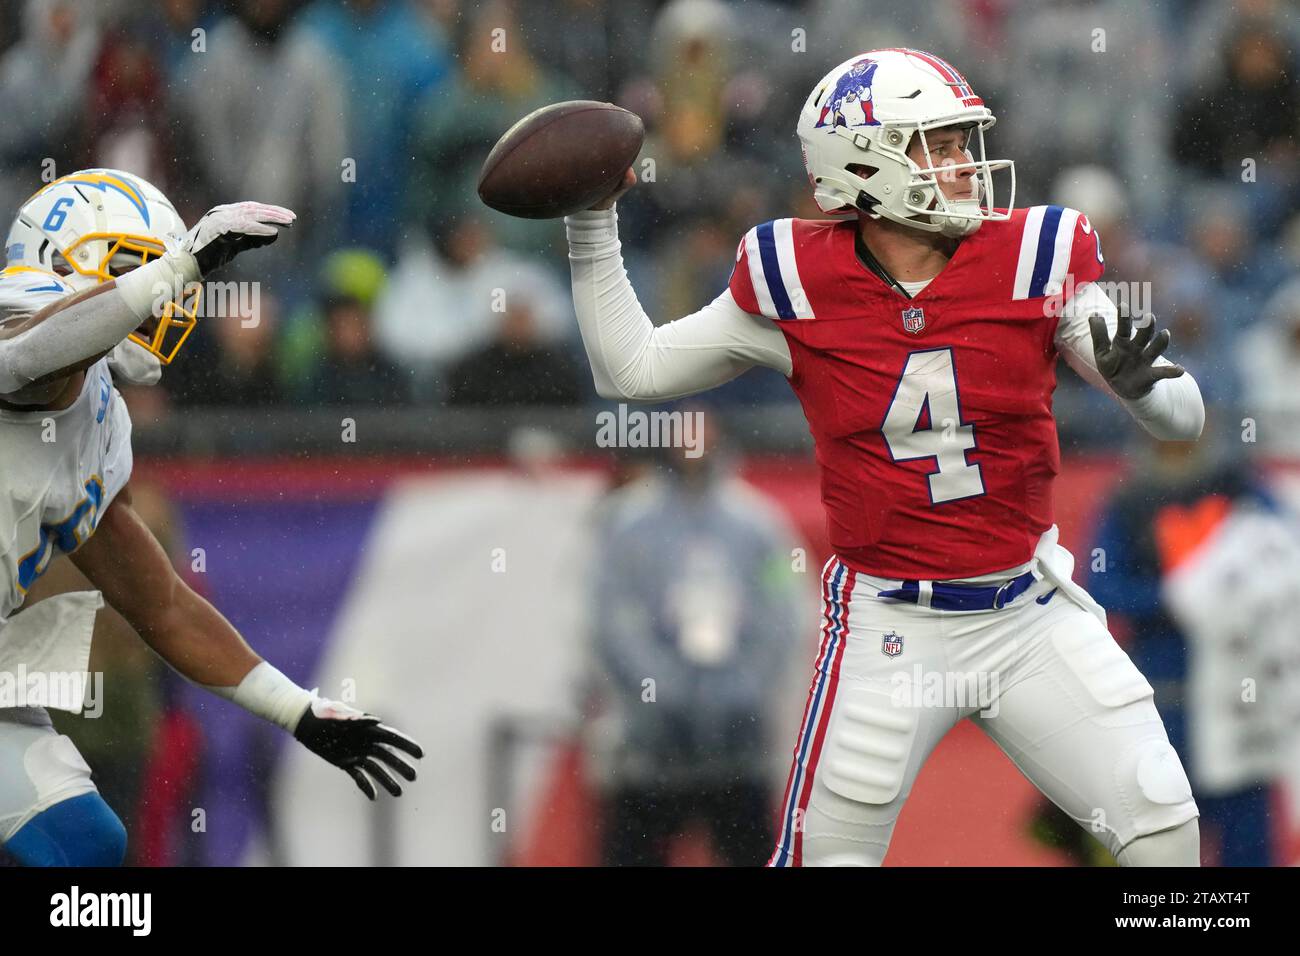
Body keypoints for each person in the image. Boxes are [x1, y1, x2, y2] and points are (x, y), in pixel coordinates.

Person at [560, 49, 1205, 866]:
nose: (964, 164)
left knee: (1162, 830)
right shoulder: (796, 277)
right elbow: (634, 369)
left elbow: (1182, 420)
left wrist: (1143, 389)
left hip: (1028, 611)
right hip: (891, 623)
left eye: (964, 141)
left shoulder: (1034, 255)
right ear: (860, 164)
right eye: (936, 145)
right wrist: (591, 223)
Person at [0, 168, 422, 867]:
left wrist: (298, 711)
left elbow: (160, 602)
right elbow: (31, 354)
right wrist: (183, 262)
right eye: (143, 264)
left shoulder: (100, 418)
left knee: (84, 845)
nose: (171, 295)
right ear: (64, 257)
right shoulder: (24, 311)